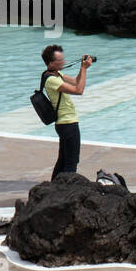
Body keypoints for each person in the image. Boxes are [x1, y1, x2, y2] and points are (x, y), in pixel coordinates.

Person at [41, 45, 91, 181]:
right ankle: (66, 193)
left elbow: (76, 82)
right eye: (59, 60)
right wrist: (84, 68)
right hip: (67, 123)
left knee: (63, 160)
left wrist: (82, 68)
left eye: (63, 59)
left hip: (65, 123)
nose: (63, 62)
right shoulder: (51, 80)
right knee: (71, 163)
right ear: (50, 63)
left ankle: (52, 189)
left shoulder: (56, 74)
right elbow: (79, 90)